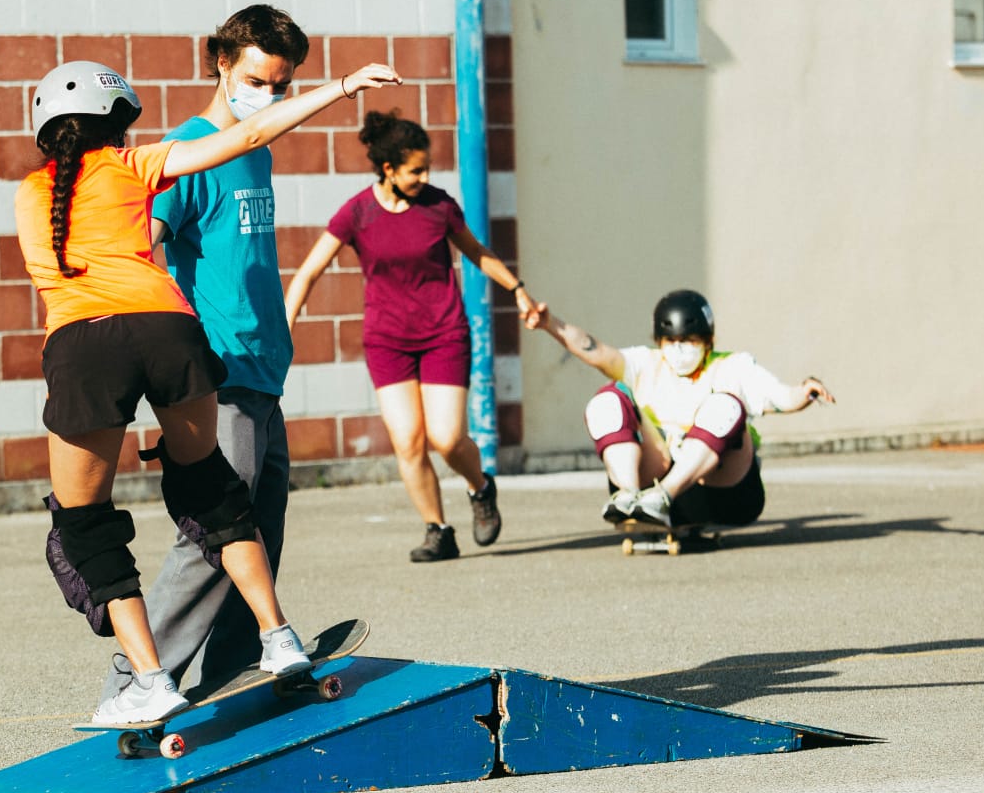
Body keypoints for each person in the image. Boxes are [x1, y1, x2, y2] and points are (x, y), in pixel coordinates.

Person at [16, 56, 400, 724]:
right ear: (116, 129)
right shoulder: (138, 165)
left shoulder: (29, 195)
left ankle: (149, 679)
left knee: (84, 525)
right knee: (214, 491)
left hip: (86, 346)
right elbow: (248, 137)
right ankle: (277, 639)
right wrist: (339, 88)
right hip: (171, 331)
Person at [92, 5, 313, 713]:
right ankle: (135, 680)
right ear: (221, 62)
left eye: (280, 86)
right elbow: (141, 244)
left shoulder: (258, 147)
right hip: (216, 369)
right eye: (257, 80)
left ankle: (239, 666)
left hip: (263, 366)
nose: (268, 97)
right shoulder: (188, 151)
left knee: (261, 530)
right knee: (216, 529)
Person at [285, 109, 540, 562]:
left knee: (446, 438)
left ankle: (480, 488)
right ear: (388, 169)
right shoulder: (357, 213)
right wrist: (286, 325)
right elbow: (308, 272)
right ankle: (437, 529)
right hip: (387, 339)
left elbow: (478, 254)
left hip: (444, 332)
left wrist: (518, 291)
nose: (425, 176)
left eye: (427, 168)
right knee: (408, 440)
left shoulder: (439, 206)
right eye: (416, 170)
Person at [527, 288, 833, 529]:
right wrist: (550, 324)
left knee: (724, 405)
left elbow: (781, 396)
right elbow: (595, 351)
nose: (679, 349)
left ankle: (663, 498)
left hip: (723, 491)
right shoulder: (646, 364)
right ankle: (631, 498)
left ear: (707, 340)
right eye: (670, 341)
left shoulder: (734, 366)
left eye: (688, 340)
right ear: (659, 341)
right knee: (607, 400)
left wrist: (805, 391)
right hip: (657, 475)